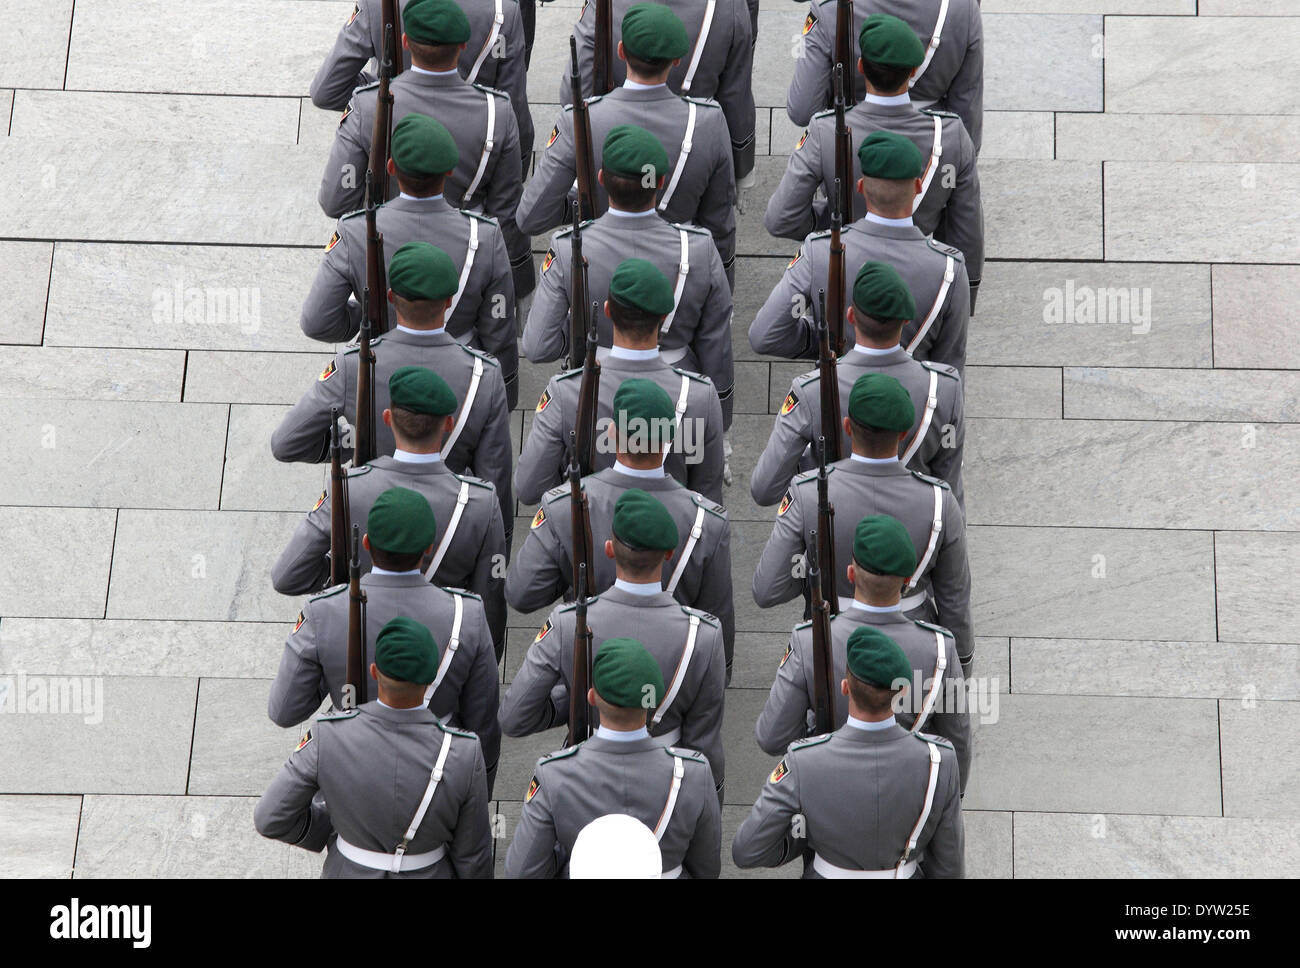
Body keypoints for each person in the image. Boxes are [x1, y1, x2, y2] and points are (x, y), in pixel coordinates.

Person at [272, 242, 514, 539]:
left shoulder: (351, 366)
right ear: (449, 301)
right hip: (452, 528)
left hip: (372, 523)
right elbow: (495, 475)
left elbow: (286, 443)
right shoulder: (485, 375)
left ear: (390, 297)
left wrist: (356, 441)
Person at [268, 487, 502, 790]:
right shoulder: (467, 614)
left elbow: (284, 710)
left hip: (350, 778)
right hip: (436, 781)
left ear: (366, 543)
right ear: (428, 547)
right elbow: (482, 722)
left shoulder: (322, 612)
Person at [501, 489, 727, 795]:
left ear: (609, 548)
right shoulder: (704, 635)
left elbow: (515, 717)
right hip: (667, 790)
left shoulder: (567, 622)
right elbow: (704, 742)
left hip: (585, 780)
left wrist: (584, 697)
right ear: (669, 554)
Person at [507, 379, 735, 675]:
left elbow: (522, 593)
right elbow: (717, 615)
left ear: (612, 433)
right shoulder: (709, 521)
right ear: (669, 439)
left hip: (592, 667)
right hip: (673, 670)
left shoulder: (562, 504)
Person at [271, 368, 507, 648]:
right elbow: (488, 598)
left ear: (387, 419)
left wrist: (344, 579)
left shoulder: (348, 489)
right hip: (445, 649)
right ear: (448, 424)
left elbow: (288, 575)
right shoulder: (482, 502)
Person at [752, 372, 972, 671]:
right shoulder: (940, 501)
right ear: (905, 433)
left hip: (832, 645)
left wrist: (815, 571)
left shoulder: (806, 493)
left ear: (847, 427)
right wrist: (961, 669)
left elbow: (768, 590)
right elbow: (954, 602)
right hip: (917, 655)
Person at [523, 124, 734, 431]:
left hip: (593, 390)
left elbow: (538, 345)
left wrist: (581, 332)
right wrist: (720, 421)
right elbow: (716, 345)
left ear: (600, 180)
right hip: (679, 398)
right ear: (660, 182)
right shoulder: (699, 248)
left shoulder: (567, 246)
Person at [317, 0, 532, 301]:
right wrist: (517, 277)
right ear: (461, 44)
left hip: (385, 254)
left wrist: (380, 93)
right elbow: (507, 199)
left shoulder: (367, 104)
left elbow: (334, 201)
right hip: (469, 258)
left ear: (406, 40)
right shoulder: (502, 14)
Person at [765, 14, 982, 309]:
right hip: (922, 286)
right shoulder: (952, 135)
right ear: (914, 70)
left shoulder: (825, 130)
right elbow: (965, 229)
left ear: (860, 67)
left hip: (844, 274)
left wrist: (832, 218)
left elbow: (781, 218)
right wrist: (960, 296)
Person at [300, 112, 517, 407]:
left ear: (390, 168)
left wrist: (367, 318)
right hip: (462, 384)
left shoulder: (353, 231)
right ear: (450, 171)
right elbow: (498, 327)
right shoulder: (486, 236)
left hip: (379, 378)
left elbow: (317, 321)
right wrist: (501, 391)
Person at [254, 616, 494, 878]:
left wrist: (334, 830)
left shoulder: (328, 735)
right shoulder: (464, 752)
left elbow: (271, 817)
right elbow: (473, 855)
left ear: (374, 671)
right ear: (433, 675)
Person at [519, 3, 736, 282]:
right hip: (678, 280)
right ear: (677, 60)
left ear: (621, 51)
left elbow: (531, 217)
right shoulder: (709, 123)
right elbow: (720, 226)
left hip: (598, 272)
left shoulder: (581, 120)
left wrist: (584, 204)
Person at [755, 513, 970, 786]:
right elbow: (957, 743)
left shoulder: (807, 640)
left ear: (850, 573)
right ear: (907, 580)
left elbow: (770, 736)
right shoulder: (941, 648)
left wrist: (815, 734)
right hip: (907, 791)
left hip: (825, 787)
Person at [732, 626, 964, 878]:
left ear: (845, 687)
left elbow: (748, 849)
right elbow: (948, 864)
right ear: (902, 693)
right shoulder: (940, 761)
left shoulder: (803, 760)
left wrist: (803, 837)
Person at [749, 129, 969, 376]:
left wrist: (826, 338)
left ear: (862, 187)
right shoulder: (950, 267)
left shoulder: (819, 250)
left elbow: (765, 335)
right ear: (918, 186)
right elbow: (949, 371)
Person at [750, 261, 964, 510]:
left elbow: (764, 490)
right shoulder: (946, 389)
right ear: (906, 321)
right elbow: (948, 490)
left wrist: (810, 460)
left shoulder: (809, 390)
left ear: (851, 315)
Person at [504, 637, 721, 878]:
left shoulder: (553, 774)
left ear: (592, 697)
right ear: (652, 701)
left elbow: (522, 871)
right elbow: (707, 869)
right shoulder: (693, 773)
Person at [517, 258, 725, 506]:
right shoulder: (701, 396)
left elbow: (529, 488)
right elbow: (707, 500)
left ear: (607, 311)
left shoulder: (565, 392)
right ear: (665, 316)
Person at [309, 0, 535, 163]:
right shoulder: (505, 11)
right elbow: (513, 109)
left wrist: (383, 92)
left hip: (397, 152)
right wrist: (518, 163)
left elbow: (327, 90)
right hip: (474, 159)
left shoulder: (374, 4)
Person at [563, 0, 756, 184]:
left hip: (613, 158)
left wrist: (585, 144)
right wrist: (741, 167)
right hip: (691, 157)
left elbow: (578, 86)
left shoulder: (603, 5)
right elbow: (735, 96)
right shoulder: (729, 6)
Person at [786, 0, 983, 153]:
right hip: (932, 152)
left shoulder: (828, 7)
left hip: (850, 146)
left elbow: (802, 109)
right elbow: (967, 111)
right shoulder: (963, 8)